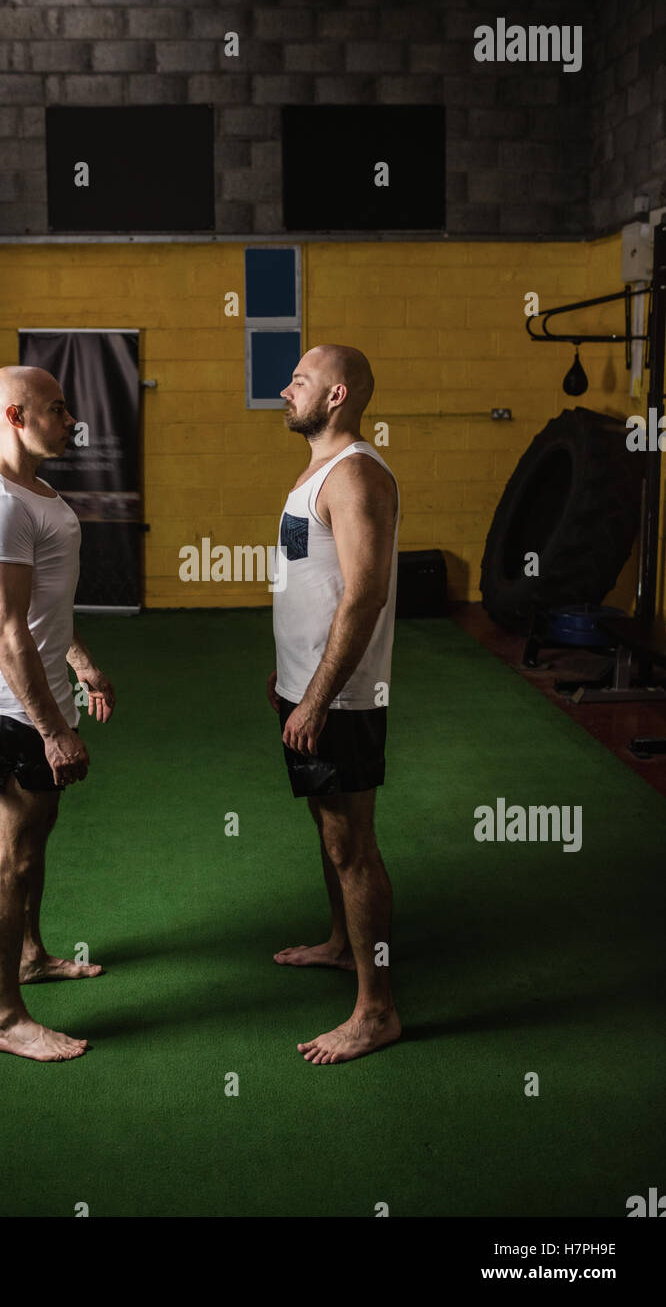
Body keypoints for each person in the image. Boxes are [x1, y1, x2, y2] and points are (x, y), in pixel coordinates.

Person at [0, 365, 115, 1062]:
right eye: (55, 408)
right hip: (13, 706)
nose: (70, 418)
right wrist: (52, 730)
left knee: (36, 837)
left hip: (47, 690)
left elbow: (46, 608)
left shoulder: (39, 492)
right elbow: (7, 628)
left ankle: (31, 956)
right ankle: (5, 1017)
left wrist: (80, 664)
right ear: (16, 416)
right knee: (11, 854)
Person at [269, 344, 401, 1064]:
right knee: (331, 831)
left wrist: (317, 697)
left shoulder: (356, 476)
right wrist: (288, 675)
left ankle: (377, 1009)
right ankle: (341, 946)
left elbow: (365, 593)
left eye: (300, 382)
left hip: (342, 699)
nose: (285, 390)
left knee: (353, 846)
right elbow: (309, 582)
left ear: (337, 394)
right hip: (309, 687)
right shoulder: (318, 470)